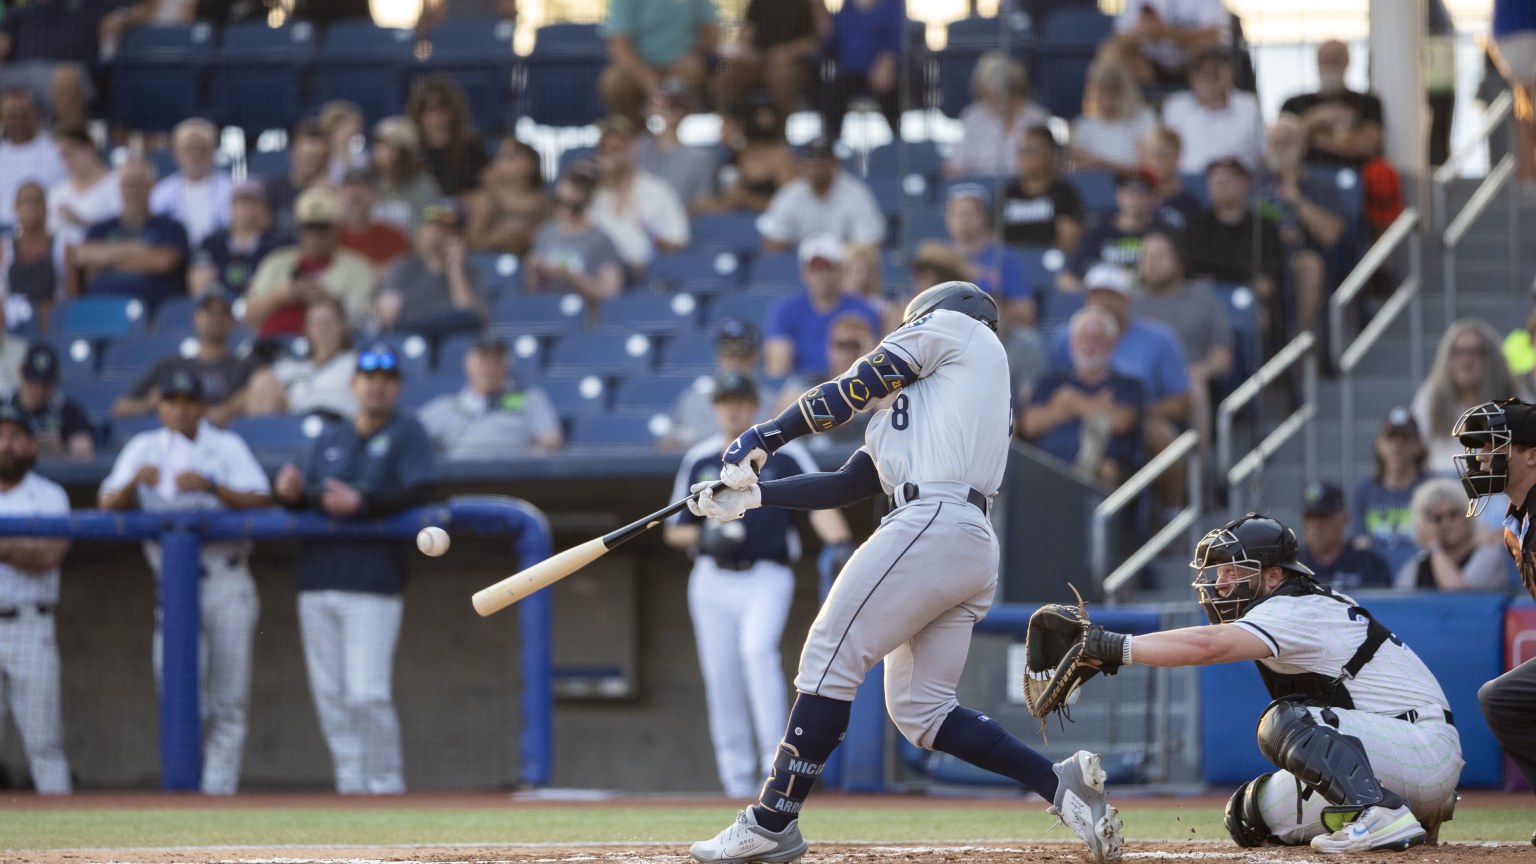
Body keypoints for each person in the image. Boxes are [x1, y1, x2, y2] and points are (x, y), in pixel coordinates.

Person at [686, 282, 1121, 864]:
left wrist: (767, 434)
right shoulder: (932, 405)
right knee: (922, 710)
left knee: (828, 653)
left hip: (933, 518)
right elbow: (848, 484)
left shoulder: (961, 331)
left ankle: (770, 822)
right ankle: (1059, 785)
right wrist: (753, 497)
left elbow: (855, 383)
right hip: (960, 538)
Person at [1071, 513, 1461, 851]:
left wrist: (1111, 646)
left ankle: (1380, 813)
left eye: (1233, 571)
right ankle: (1412, 809)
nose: (1221, 584)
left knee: (1284, 722)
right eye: (1219, 572)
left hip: (1420, 746)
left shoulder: (1294, 607)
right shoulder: (1293, 603)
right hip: (1397, 752)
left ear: (1274, 575)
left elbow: (1206, 646)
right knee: (1248, 815)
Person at [666, 370, 851, 798]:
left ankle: (776, 773)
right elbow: (674, 530)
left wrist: (841, 541)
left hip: (766, 575)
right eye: (725, 401)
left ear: (755, 407)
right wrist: (705, 535)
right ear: (715, 407)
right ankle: (734, 783)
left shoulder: (781, 454)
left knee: (757, 653)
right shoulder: (698, 458)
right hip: (711, 578)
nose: (733, 409)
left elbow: (821, 497)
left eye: (742, 401)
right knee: (721, 676)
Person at [272, 344, 436, 795]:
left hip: (373, 580)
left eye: (385, 376)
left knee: (367, 693)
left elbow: (422, 491)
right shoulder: (330, 436)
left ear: (396, 386)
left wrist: (363, 504)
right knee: (331, 697)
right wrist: (286, 492)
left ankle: (385, 784)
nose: (376, 383)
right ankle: (351, 785)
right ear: (354, 384)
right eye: (368, 375)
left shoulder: (409, 432)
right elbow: (307, 495)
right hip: (317, 577)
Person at [98, 370, 271, 796]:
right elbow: (106, 501)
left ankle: (218, 793)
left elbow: (262, 498)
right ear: (159, 407)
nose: (180, 408)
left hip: (226, 580)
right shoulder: (143, 448)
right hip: (175, 588)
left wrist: (213, 486)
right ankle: (187, 792)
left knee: (229, 701)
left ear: (202, 407)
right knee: (180, 693)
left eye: (188, 400)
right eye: (171, 400)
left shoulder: (225, 446)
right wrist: (135, 483)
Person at [1450, 397, 1536, 844]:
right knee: (1499, 698)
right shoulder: (1515, 523)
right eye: (1480, 447)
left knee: (1500, 697)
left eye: (1492, 445)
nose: (1481, 456)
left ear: (1531, 453)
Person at [0, 403, 71, 795]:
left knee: (44, 743)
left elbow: (50, 554)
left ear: (30, 445)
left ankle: (64, 847)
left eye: (14, 435)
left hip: (30, 625)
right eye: (0, 434)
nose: (5, 443)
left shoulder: (49, 495)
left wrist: (6, 550)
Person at [1023, 306, 1144, 486]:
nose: (1089, 345)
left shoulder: (1128, 384)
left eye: (1097, 339)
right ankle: (1083, 462)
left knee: (1107, 469)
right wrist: (1097, 407)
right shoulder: (1051, 381)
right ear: (1072, 342)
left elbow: (1120, 422)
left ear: (1113, 343)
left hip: (1104, 469)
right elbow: (1030, 425)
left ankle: (1087, 463)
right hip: (1050, 465)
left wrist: (1069, 402)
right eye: (1084, 338)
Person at [1132, 229, 1231, 447]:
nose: (1152, 263)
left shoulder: (1203, 299)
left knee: (1193, 383)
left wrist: (1202, 370)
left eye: (1160, 256)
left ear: (1179, 261)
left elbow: (1223, 358)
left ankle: (1200, 474)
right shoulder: (1130, 303)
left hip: (1182, 381)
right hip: (1140, 379)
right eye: (1146, 256)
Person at [244, 186, 376, 338]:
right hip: (273, 348)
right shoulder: (275, 262)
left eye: (322, 227)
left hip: (332, 354)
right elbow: (248, 316)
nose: (314, 235)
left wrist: (327, 299)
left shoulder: (358, 267)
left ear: (336, 229)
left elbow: (366, 324)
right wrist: (278, 297)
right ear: (299, 229)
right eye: (309, 227)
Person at [1256, 116, 1346, 339]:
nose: (1278, 148)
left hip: (1297, 259)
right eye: (1273, 142)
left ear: (1302, 146)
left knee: (1310, 266)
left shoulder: (1320, 186)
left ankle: (1301, 346)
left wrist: (1295, 198)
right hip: (1259, 260)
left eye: (1285, 141)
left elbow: (1331, 234)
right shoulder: (1253, 183)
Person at [112, 288, 256, 425]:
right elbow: (120, 408)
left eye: (223, 312)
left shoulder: (246, 366)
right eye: (209, 312)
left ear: (233, 321)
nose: (216, 318)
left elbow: (264, 391)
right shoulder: (169, 366)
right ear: (196, 318)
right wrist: (149, 404)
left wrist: (227, 410)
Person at [1184, 158, 1284, 345]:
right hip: (1206, 300)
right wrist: (1246, 275)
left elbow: (1268, 283)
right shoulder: (1197, 226)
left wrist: (1221, 272)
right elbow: (1192, 271)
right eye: (1216, 182)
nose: (1221, 187)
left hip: (1249, 302)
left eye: (1227, 181)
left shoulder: (1264, 228)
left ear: (1245, 183)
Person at [67, 156, 189, 309]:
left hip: (151, 314)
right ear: (119, 188)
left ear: (152, 186)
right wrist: (135, 248)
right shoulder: (101, 227)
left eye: (139, 184)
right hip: (99, 310)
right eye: (128, 184)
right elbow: (81, 255)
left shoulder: (170, 227)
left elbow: (163, 262)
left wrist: (104, 263)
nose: (133, 190)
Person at [417, 335, 562, 460]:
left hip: (514, 480)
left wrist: (527, 460)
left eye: (497, 360)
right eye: (483, 360)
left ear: (507, 364)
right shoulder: (447, 406)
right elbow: (409, 436)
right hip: (459, 480)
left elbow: (551, 442)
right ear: (468, 363)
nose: (490, 367)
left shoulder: (528, 399)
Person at [1413, 319, 1526, 472]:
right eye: (1459, 352)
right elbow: (1413, 448)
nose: (1466, 360)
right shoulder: (1431, 397)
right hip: (1440, 483)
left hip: (1497, 482)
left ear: (1491, 359)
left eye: (1475, 352)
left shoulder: (1513, 396)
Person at [763, 235, 881, 379]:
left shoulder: (862, 310)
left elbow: (869, 360)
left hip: (849, 383)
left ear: (840, 271)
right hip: (801, 388)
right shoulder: (785, 310)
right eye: (814, 268)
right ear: (804, 272)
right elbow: (778, 369)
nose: (820, 274)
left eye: (827, 267)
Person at [589, 115, 691, 277]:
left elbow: (678, 239)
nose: (613, 157)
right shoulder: (592, 194)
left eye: (618, 149)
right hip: (598, 274)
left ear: (632, 149)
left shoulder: (658, 190)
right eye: (606, 150)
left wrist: (656, 242)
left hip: (647, 274)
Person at [375, 201, 487, 338]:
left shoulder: (473, 272)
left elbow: (470, 316)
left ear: (460, 236)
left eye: (449, 229)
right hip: (412, 339)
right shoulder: (404, 268)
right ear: (422, 232)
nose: (440, 235)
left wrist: (456, 269)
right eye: (435, 227)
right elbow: (388, 320)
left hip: (453, 340)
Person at [599, 0, 717, 129]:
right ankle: (636, 136)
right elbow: (619, 46)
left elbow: (710, 33)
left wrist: (693, 55)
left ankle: (681, 139)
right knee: (614, 83)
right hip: (638, 66)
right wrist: (650, 80)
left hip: (682, 65)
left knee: (693, 71)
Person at [758, 136, 884, 252]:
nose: (817, 165)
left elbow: (870, 243)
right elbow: (772, 244)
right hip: (802, 268)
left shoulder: (856, 193)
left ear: (835, 161)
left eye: (823, 159)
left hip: (844, 267)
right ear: (802, 164)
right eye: (812, 159)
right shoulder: (789, 194)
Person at [525, 164, 625, 311]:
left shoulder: (601, 239)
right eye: (559, 201)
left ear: (588, 202)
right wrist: (534, 271)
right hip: (547, 311)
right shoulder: (545, 234)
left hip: (586, 316)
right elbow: (530, 292)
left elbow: (611, 292)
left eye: (574, 205)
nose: (565, 209)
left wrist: (571, 276)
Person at [242, 296, 358, 420]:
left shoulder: (356, 362)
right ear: (307, 329)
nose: (323, 329)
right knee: (262, 380)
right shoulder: (290, 367)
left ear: (343, 327)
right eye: (317, 323)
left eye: (329, 322)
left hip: (337, 426)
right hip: (292, 427)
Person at [0, 2, 111, 129]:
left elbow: (133, 10)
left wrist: (121, 20)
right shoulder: (19, 12)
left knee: (65, 77)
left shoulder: (91, 7)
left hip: (73, 73)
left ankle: (70, 142)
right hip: (21, 73)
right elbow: (3, 45)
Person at [943, 51, 1050, 180]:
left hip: (1025, 190)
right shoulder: (973, 117)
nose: (999, 101)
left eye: (1008, 93)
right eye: (991, 95)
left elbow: (1048, 165)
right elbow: (954, 167)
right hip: (981, 191)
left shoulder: (1037, 117)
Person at [1279, 40, 1384, 170]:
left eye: (1335, 59)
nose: (1330, 65)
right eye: (1325, 60)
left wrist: (1314, 138)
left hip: (1354, 176)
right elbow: (1282, 145)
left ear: (1347, 62)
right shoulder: (1293, 103)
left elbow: (1367, 145)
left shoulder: (1369, 102)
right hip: (1303, 176)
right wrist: (1315, 119)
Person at [1350, 407, 1430, 577]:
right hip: (1377, 577)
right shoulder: (1363, 492)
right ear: (1379, 444)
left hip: (1422, 577)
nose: (1397, 446)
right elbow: (1360, 543)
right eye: (1390, 439)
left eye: (1405, 439)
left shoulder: (1431, 489)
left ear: (1418, 445)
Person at [712, 0, 824, 120]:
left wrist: (787, 53)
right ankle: (732, 129)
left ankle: (777, 131)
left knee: (782, 77)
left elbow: (819, 40)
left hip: (793, 65)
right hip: (758, 63)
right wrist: (740, 49)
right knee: (724, 80)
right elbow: (748, 31)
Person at [663, 318, 761, 453]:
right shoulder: (693, 398)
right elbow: (666, 445)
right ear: (718, 356)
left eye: (743, 353)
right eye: (728, 352)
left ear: (754, 356)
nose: (735, 360)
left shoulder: (773, 402)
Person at [1160, 48, 1263, 176]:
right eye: (1201, 71)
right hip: (1188, 182)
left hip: (1239, 182)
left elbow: (1261, 152)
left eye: (1216, 71)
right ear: (1191, 76)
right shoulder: (1175, 106)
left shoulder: (1248, 106)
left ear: (1231, 74)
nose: (1209, 77)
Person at [1395, 477, 1508, 591]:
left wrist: (1435, 547)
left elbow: (1458, 595)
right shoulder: (1416, 567)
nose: (1446, 523)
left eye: (1453, 514)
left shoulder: (1488, 556)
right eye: (1437, 518)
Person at [944, 184, 1031, 329]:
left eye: (970, 214)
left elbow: (1026, 313)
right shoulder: (941, 260)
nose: (964, 220)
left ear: (983, 218)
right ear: (948, 220)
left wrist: (983, 279)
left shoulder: (1005, 258)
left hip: (995, 332)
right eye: (958, 214)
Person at [1064, 167, 1167, 288]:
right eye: (1126, 189)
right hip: (1103, 296)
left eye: (1141, 189)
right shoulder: (1097, 231)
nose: (1132, 195)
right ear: (1118, 194)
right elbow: (1068, 277)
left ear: (1153, 197)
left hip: (1147, 297)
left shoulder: (1162, 233)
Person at [819, 0, 906, 142]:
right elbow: (831, 43)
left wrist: (887, 62)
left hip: (883, 70)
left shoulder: (893, 4)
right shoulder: (847, 6)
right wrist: (823, 26)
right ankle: (830, 144)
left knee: (892, 91)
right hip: (850, 72)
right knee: (833, 91)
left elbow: (898, 36)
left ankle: (897, 143)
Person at [635, 78, 720, 215]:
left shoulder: (702, 158)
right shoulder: (635, 149)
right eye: (662, 102)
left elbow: (703, 203)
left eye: (677, 104)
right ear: (651, 107)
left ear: (689, 109)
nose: (670, 109)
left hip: (679, 228)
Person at [189, 180, 283, 299]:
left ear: (265, 209)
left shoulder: (279, 244)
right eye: (241, 203)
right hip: (220, 306)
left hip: (261, 306)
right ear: (231, 208)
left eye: (252, 203)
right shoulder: (212, 242)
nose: (246, 210)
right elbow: (199, 287)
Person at [150, 118, 235, 248]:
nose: (196, 153)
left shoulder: (232, 189)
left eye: (202, 147)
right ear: (175, 152)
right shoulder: (160, 192)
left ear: (214, 150)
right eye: (189, 147)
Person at [47, 127, 119, 276]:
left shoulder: (116, 184)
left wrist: (80, 221)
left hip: (99, 264)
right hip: (55, 266)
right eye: (63, 156)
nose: (68, 160)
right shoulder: (57, 190)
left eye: (71, 153)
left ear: (90, 148)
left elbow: (121, 228)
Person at [1104, 0, 1229, 85]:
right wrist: (1144, 32)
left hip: (1190, 66)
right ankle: (1105, 114)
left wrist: (1166, 33)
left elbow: (1214, 35)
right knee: (1111, 52)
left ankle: (1211, 108)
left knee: (1204, 46)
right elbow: (1119, 37)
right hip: (1149, 66)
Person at [1296, 481, 1392, 591]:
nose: (1315, 526)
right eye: (1309, 518)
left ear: (1343, 519)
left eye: (1323, 517)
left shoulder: (1370, 565)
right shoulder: (1289, 567)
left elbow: (1384, 605)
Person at [1000, 126, 1083, 252]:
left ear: (1050, 154)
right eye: (1022, 150)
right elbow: (994, 238)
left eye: (1033, 150)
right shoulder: (1008, 193)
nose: (1026, 157)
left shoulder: (1064, 192)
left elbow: (1069, 239)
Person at [1070, 57, 1158, 173]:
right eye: (1100, 90)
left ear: (1124, 91)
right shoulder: (1084, 124)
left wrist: (1105, 164)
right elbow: (1074, 167)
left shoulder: (1144, 119)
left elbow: (1151, 165)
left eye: (1112, 91)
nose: (1105, 98)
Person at [707, 102, 798, 215]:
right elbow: (724, 203)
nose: (721, 132)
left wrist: (750, 200)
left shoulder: (777, 155)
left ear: (740, 126)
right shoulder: (726, 158)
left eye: (725, 125)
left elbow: (795, 204)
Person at [407, 74, 488, 198]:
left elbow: (480, 187)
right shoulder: (409, 150)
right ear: (418, 113)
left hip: (461, 209)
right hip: (421, 209)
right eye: (428, 108)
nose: (435, 115)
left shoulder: (472, 149)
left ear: (453, 110)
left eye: (442, 106)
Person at [7, 344, 92, 459]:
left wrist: (62, 450)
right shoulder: (3, 404)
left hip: (55, 475)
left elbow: (85, 456)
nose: (39, 390)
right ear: (20, 372)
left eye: (45, 384)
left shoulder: (69, 411)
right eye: (33, 381)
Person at [465, 137, 547, 256]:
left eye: (513, 156)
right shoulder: (484, 199)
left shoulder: (545, 202)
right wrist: (496, 238)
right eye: (501, 156)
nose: (504, 160)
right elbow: (471, 242)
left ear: (531, 163)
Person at [335, 168, 411, 287]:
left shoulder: (394, 235)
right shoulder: (325, 234)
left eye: (363, 187)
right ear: (338, 194)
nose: (356, 193)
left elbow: (403, 273)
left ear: (376, 195)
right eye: (349, 187)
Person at [0, 89, 64, 229]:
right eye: (12, 115)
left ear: (35, 114)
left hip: (45, 228)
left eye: (23, 113)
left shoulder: (57, 151)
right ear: (2, 118)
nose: (18, 120)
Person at [368, 116, 444, 234]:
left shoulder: (426, 187)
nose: (381, 153)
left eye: (391, 148)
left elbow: (435, 222)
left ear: (406, 153)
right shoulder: (372, 185)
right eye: (379, 146)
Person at [261, 120, 331, 238]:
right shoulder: (272, 189)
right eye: (307, 156)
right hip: (280, 253)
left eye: (319, 157)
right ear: (292, 154)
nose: (313, 162)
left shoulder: (334, 193)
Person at [1493, 0, 1536, 187]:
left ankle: (1527, 175)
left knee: (1524, 109)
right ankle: (1528, 175)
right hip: (1524, 31)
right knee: (1525, 109)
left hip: (1508, 34)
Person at [4, 181, 56, 326]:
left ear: (47, 207)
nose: (32, 206)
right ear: (16, 207)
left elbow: (71, 294)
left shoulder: (61, 245)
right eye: (26, 201)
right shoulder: (5, 247)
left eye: (37, 201)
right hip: (14, 324)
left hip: (51, 321)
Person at [1138, 125, 1203, 230]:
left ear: (1177, 157)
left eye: (1163, 155)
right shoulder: (1132, 202)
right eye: (1151, 155)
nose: (1156, 161)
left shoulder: (1191, 206)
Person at [320, 99, 367, 186]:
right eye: (351, 124)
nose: (356, 129)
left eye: (358, 125)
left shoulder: (360, 155)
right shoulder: (321, 151)